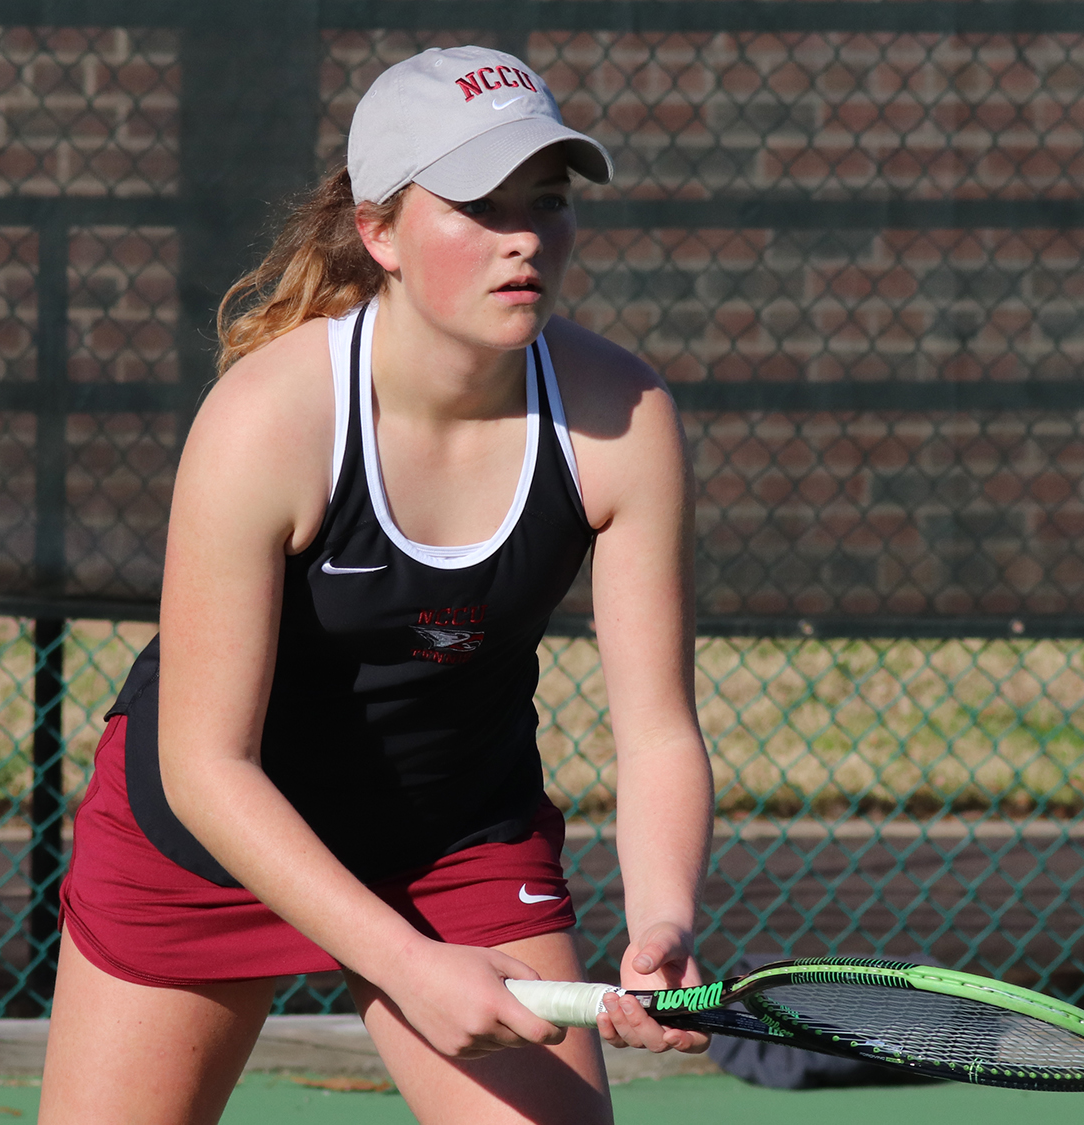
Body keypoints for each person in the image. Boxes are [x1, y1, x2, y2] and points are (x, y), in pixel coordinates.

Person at [39, 45, 714, 1125]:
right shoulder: (268, 420)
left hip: (453, 835)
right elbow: (208, 764)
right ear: (378, 232)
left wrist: (662, 926)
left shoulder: (622, 416)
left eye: (543, 202)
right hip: (211, 837)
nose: (522, 237)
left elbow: (657, 733)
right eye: (478, 206)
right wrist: (402, 962)